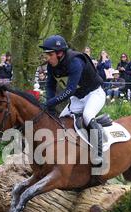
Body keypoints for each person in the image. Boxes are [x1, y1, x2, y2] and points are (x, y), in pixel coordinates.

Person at [40, 35, 105, 165]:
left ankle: (98, 154)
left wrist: (48, 103)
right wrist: (49, 105)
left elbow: (69, 90)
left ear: (59, 53)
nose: (46, 57)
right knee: (61, 120)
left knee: (87, 116)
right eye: (46, 54)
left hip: (94, 94)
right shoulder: (52, 65)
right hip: (78, 98)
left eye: (49, 54)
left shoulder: (75, 62)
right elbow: (49, 85)